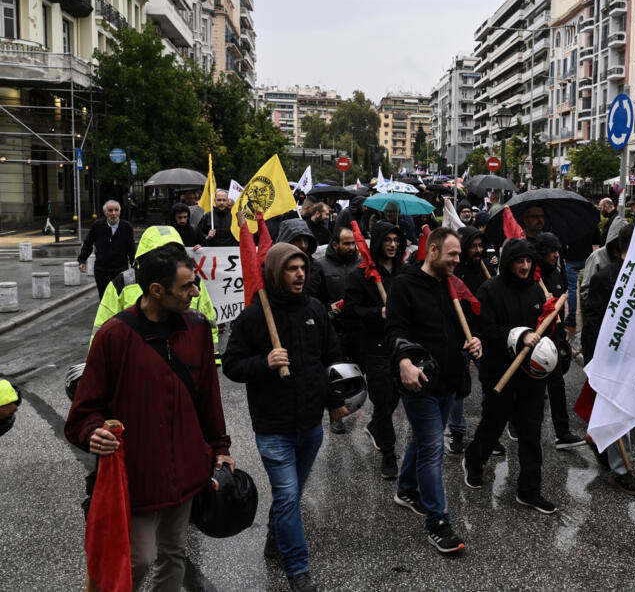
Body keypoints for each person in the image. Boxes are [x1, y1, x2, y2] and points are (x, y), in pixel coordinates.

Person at [65, 247, 233, 591]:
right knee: (138, 558)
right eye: (187, 287)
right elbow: (84, 411)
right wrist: (92, 431)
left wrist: (220, 446)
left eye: (195, 283)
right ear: (157, 290)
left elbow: (207, 398)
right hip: (135, 474)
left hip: (186, 468)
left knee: (174, 554)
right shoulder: (114, 336)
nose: (196, 293)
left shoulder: (198, 329)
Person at [223, 243, 348, 592]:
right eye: (291, 268)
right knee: (289, 495)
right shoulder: (252, 317)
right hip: (274, 427)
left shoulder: (315, 310)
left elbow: (332, 358)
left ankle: (274, 540)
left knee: (288, 497)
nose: (300, 274)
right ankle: (297, 569)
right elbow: (231, 365)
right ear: (276, 272)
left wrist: (334, 400)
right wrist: (265, 362)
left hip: (310, 426)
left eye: (303, 268)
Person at [387, 227, 481, 554]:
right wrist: (403, 361)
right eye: (453, 254)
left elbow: (460, 332)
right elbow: (394, 330)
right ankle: (437, 522)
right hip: (418, 382)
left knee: (424, 438)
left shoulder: (452, 287)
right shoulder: (404, 285)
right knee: (432, 446)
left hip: (449, 382)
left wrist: (472, 343)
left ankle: (405, 488)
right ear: (434, 251)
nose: (459, 259)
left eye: (459, 254)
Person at [463, 238, 558, 514]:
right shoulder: (489, 290)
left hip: (531, 377)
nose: (526, 266)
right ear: (508, 263)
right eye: (520, 261)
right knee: (493, 425)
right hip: (499, 372)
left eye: (529, 261)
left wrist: (551, 336)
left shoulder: (537, 291)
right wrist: (516, 336)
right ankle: (474, 459)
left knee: (531, 430)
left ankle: (530, 490)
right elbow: (482, 330)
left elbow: (543, 330)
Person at [89, 226, 220, 364]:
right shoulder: (122, 283)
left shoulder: (193, 282)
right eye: (165, 252)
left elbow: (208, 321)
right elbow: (102, 328)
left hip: (183, 363)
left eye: (175, 253)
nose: (194, 292)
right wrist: (98, 364)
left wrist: (213, 358)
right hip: (135, 366)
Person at [582, 223, 635, 496]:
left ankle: (599, 437)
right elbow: (593, 322)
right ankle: (622, 470)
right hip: (612, 356)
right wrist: (594, 360)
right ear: (623, 248)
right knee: (620, 408)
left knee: (625, 407)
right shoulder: (606, 277)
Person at [345, 220, 406, 476]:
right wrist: (377, 312)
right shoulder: (360, 275)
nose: (392, 245)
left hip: (400, 343)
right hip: (374, 345)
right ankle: (389, 454)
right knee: (381, 398)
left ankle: (374, 426)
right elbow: (351, 310)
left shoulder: (404, 271)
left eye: (396, 240)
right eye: (387, 240)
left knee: (397, 393)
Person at [444, 226, 494, 455]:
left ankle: (488, 431)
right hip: (459, 336)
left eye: (480, 246)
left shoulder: (486, 271)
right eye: (473, 246)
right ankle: (456, 431)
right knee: (458, 386)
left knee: (490, 382)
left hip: (482, 335)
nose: (478, 250)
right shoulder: (452, 272)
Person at [535, 232, 585, 450]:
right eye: (552, 251)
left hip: (554, 338)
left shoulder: (557, 274)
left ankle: (562, 433)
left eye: (558, 250)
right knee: (531, 390)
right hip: (534, 341)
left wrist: (562, 331)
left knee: (557, 384)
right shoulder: (532, 276)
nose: (556, 255)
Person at [78, 199, 136, 298]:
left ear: (119, 212)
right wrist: (82, 260)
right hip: (102, 270)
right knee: (104, 297)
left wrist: (134, 265)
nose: (113, 213)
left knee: (119, 297)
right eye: (110, 210)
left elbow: (131, 248)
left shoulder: (126, 226)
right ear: (105, 212)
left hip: (120, 269)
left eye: (116, 210)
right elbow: (88, 243)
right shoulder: (97, 225)